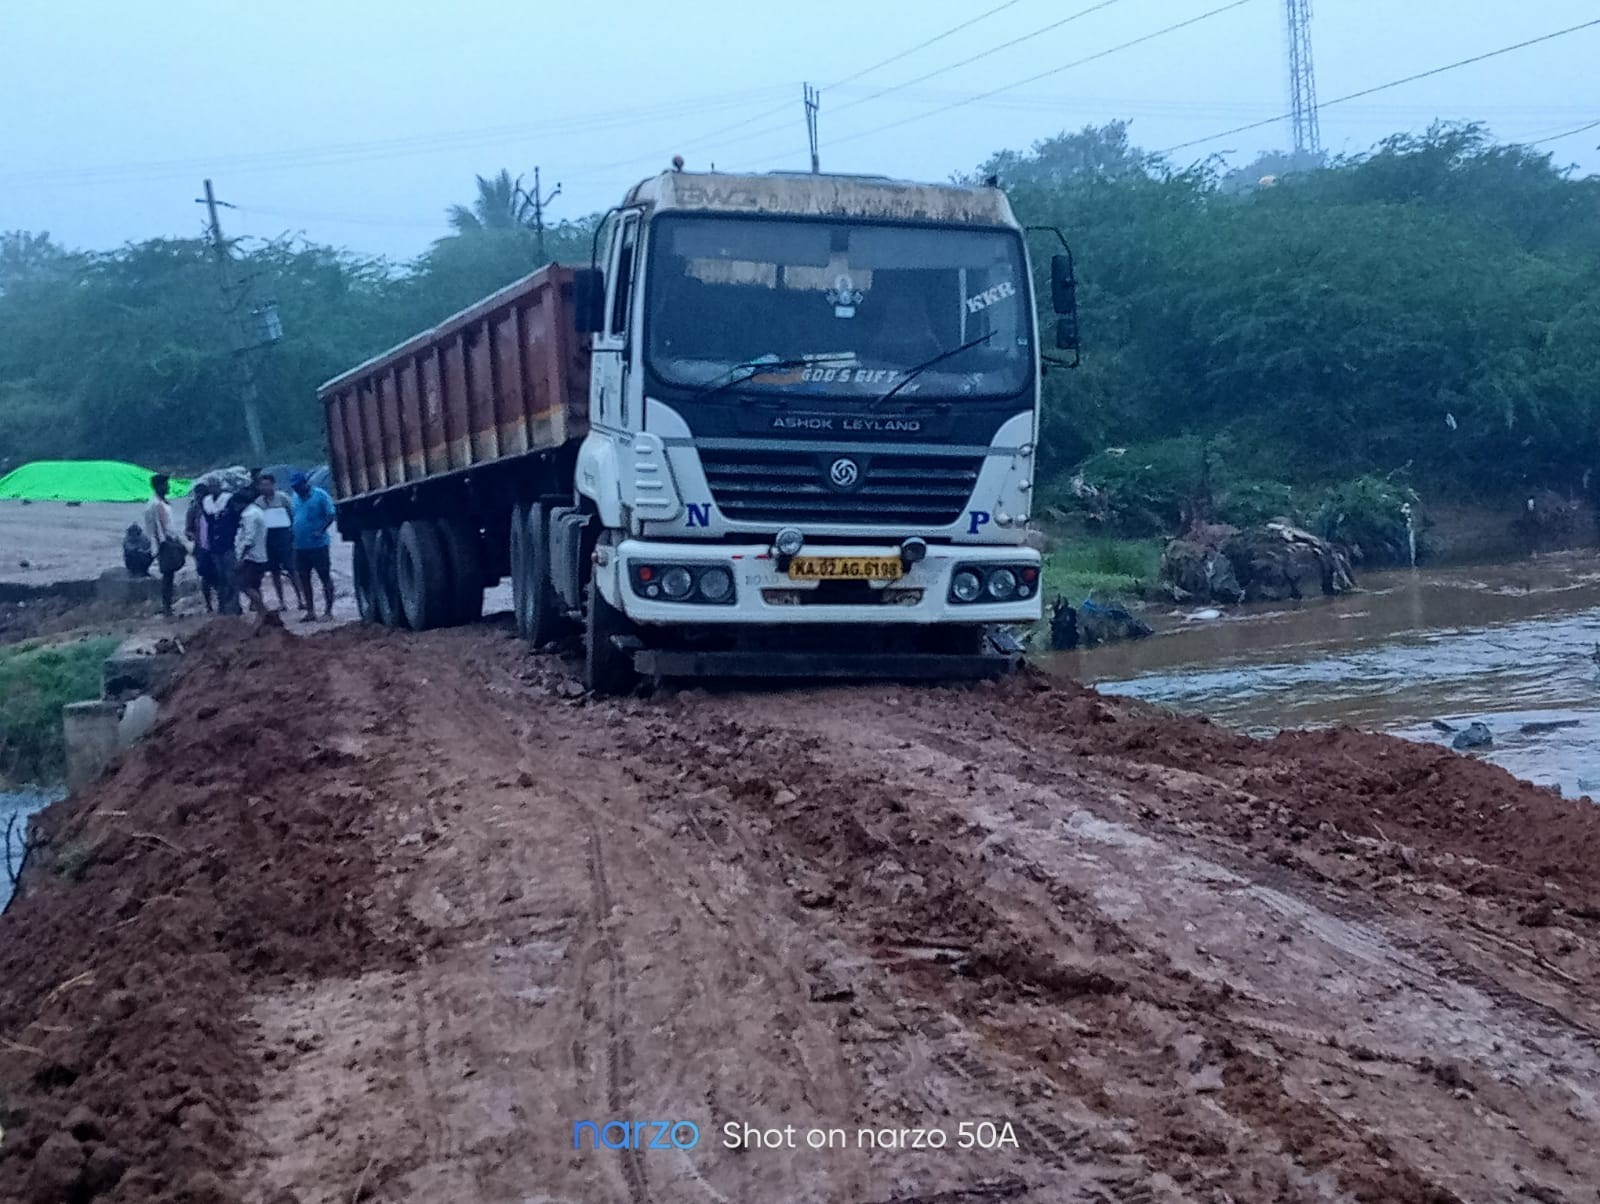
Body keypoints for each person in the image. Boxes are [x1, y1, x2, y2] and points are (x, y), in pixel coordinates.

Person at [289, 470, 337, 621]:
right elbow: (294, 516)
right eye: (294, 487)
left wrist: (321, 530)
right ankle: (310, 611)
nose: (296, 489)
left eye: (298, 486)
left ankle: (328, 611)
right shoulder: (295, 498)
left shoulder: (320, 495)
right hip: (300, 546)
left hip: (318, 545)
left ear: (305, 483)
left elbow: (330, 514)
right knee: (304, 578)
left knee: (324, 576)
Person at [255, 473, 303, 613]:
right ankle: (282, 602)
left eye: (267, 484)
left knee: (292, 570)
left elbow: (293, 515)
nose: (264, 487)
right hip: (268, 540)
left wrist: (293, 534)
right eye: (262, 485)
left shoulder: (283, 498)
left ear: (273, 485)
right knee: (274, 572)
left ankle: (301, 600)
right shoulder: (258, 502)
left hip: (284, 537)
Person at [144, 473, 181, 617]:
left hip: (165, 543)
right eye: (166, 484)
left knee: (169, 575)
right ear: (159, 486)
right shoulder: (157, 505)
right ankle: (167, 607)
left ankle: (168, 606)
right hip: (165, 544)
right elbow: (162, 527)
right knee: (168, 575)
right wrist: (170, 543)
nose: (168, 487)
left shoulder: (159, 503)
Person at [207, 486, 244, 616]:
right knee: (221, 578)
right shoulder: (208, 507)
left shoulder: (230, 506)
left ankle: (234, 606)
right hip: (215, 547)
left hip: (229, 546)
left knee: (231, 577)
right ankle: (224, 606)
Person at [233, 486, 270, 615]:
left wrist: (241, 558)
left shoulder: (249, 515)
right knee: (255, 585)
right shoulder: (257, 511)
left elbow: (249, 539)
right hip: (260, 555)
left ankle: (263, 610)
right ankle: (261, 612)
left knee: (244, 585)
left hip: (251, 557)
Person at [185, 481, 216, 613]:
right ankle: (208, 605)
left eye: (202, 495)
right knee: (205, 577)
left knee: (219, 575)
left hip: (215, 546)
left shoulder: (214, 507)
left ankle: (221, 603)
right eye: (197, 495)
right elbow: (187, 530)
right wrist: (193, 536)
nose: (199, 497)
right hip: (200, 548)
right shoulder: (193, 509)